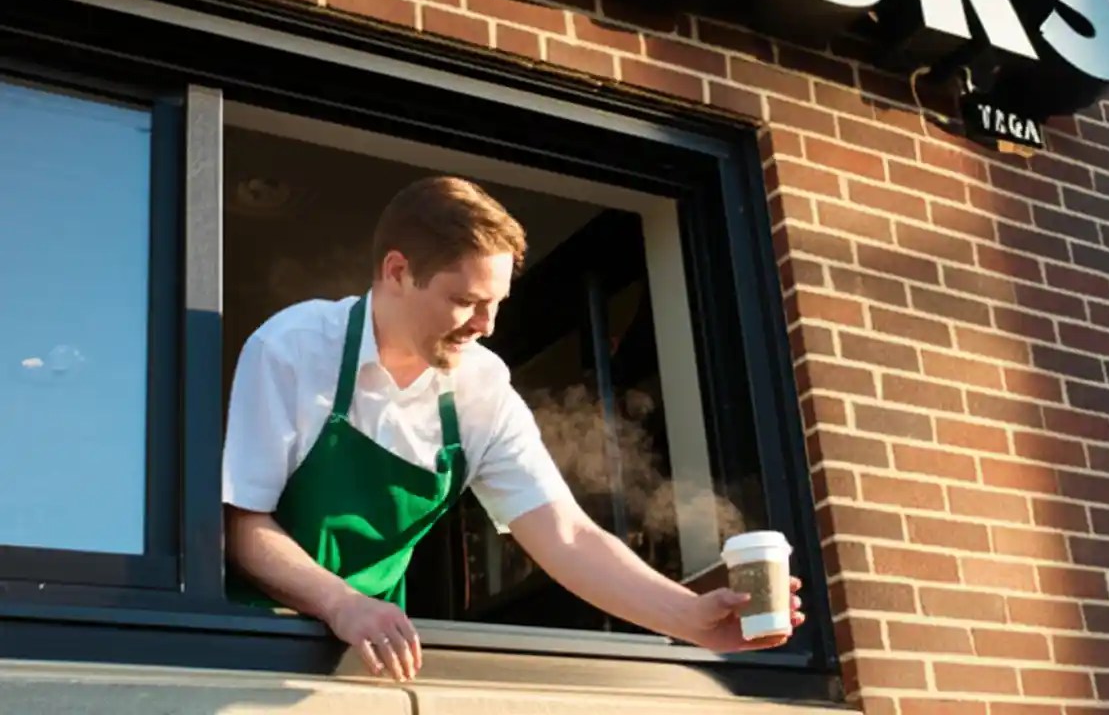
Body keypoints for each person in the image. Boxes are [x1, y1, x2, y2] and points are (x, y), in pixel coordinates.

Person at [222, 176, 805, 681]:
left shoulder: (480, 388)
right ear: (397, 272)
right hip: (251, 640)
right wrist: (340, 601)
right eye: (466, 301)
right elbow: (243, 523)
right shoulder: (292, 350)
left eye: (496, 302)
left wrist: (689, 618)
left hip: (370, 652)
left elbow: (566, 535)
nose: (487, 325)